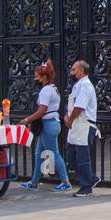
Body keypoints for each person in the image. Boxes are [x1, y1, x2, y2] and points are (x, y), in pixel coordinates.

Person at [19, 59, 73, 192]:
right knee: (39, 153)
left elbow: (42, 110)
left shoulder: (45, 91)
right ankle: (34, 182)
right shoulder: (53, 88)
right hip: (50, 123)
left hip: (48, 124)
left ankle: (65, 182)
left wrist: (26, 120)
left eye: (37, 75)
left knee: (54, 153)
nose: (35, 78)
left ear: (44, 77)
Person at [65, 59, 100, 197]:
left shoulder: (85, 85)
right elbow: (72, 104)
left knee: (82, 157)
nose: (71, 72)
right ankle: (91, 178)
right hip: (76, 125)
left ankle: (86, 186)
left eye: (74, 69)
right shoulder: (77, 85)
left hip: (84, 125)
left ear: (81, 71)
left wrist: (70, 119)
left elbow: (80, 106)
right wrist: (67, 116)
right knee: (71, 155)